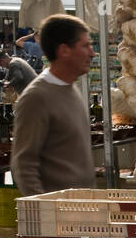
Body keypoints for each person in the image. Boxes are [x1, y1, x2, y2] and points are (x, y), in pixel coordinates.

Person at [11, 15, 96, 195]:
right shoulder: (36, 97)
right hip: (59, 217)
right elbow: (23, 165)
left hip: (82, 212)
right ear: (64, 50)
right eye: (85, 45)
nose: (92, 52)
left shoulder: (71, 89)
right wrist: (47, 213)